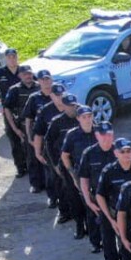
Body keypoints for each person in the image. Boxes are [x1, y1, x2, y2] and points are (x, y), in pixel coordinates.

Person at [95, 138, 131, 260]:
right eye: (122, 151)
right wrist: (109, 219)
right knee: (126, 249)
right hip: (118, 216)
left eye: (129, 151)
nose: (126, 154)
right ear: (115, 153)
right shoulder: (109, 171)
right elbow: (100, 195)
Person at [0, 48, 28, 177]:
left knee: (28, 138)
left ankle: (31, 165)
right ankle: (20, 168)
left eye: (14, 56)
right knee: (14, 140)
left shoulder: (24, 71)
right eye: (9, 57)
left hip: (25, 110)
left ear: (17, 57)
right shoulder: (0, 73)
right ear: (5, 58)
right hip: (9, 110)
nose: (12, 59)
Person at [76, 121, 116, 256]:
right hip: (97, 196)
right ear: (96, 136)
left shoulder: (120, 151)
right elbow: (84, 178)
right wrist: (87, 200)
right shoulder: (89, 153)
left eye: (109, 134)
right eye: (103, 135)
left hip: (117, 197)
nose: (106, 138)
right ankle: (96, 244)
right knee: (97, 225)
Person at [59, 106, 97, 241]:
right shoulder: (72, 135)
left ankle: (96, 238)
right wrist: (72, 174)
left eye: (89, 116)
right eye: (84, 117)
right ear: (78, 119)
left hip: (96, 174)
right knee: (78, 203)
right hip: (79, 175)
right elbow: (65, 155)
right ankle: (80, 227)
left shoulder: (99, 131)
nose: (87, 120)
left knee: (95, 206)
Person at [43, 92, 81, 225]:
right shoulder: (57, 122)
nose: (72, 109)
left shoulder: (83, 118)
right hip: (62, 162)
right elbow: (48, 143)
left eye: (74, 106)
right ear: (64, 106)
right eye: (69, 106)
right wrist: (53, 164)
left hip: (79, 161)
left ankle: (82, 219)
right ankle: (64, 213)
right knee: (63, 189)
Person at [31, 83, 69, 210]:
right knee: (53, 178)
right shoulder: (45, 111)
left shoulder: (73, 108)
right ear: (51, 96)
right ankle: (53, 199)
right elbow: (38, 133)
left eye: (62, 94)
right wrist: (37, 151)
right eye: (56, 95)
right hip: (53, 151)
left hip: (71, 151)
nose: (59, 97)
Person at [20, 69, 54, 195]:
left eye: (48, 79)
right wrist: (29, 137)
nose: (46, 82)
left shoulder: (58, 95)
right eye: (43, 80)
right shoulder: (34, 98)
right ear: (38, 81)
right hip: (39, 135)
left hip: (54, 136)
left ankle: (53, 191)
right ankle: (36, 185)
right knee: (34, 160)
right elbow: (28, 118)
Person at [0, 64, 36, 181]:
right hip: (23, 125)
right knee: (27, 152)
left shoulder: (39, 86)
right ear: (20, 76)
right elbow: (7, 109)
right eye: (25, 74)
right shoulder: (14, 90)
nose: (28, 76)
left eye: (29, 73)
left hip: (39, 125)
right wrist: (15, 129)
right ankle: (29, 175)